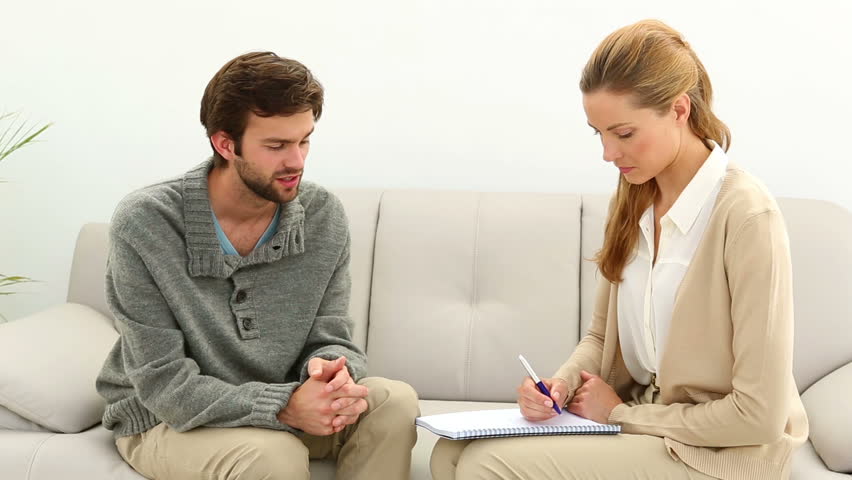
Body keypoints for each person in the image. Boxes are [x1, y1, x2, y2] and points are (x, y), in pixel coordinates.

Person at [430, 19, 808, 480]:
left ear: (679, 110)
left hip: (727, 452)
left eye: (624, 134)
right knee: (448, 454)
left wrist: (619, 415)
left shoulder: (747, 217)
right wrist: (563, 384)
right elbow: (601, 339)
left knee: (486, 466)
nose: (609, 153)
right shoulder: (633, 197)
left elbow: (760, 415)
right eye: (599, 133)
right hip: (650, 428)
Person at [96, 51, 419, 480]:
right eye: (276, 146)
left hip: (285, 403)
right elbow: (163, 384)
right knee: (270, 454)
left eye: (304, 140)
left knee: (393, 402)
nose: (297, 162)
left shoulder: (322, 214)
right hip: (167, 419)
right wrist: (285, 406)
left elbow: (332, 336)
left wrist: (328, 371)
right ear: (225, 144)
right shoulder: (147, 221)